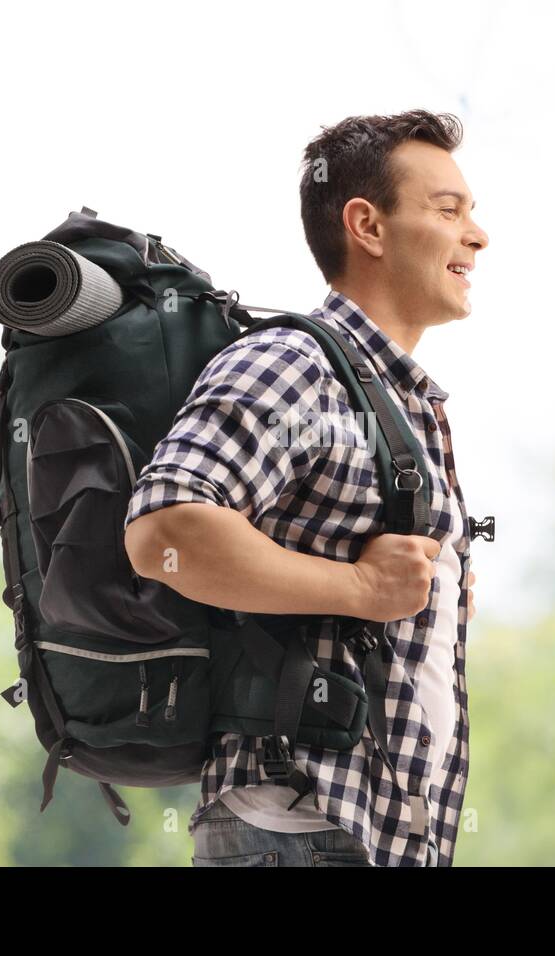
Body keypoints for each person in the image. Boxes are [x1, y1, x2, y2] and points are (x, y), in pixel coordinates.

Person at [123, 109, 488, 867]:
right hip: (295, 830)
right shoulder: (296, 366)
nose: (477, 236)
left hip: (365, 837)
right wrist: (360, 587)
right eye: (448, 211)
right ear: (368, 226)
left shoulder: (399, 399)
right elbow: (164, 533)